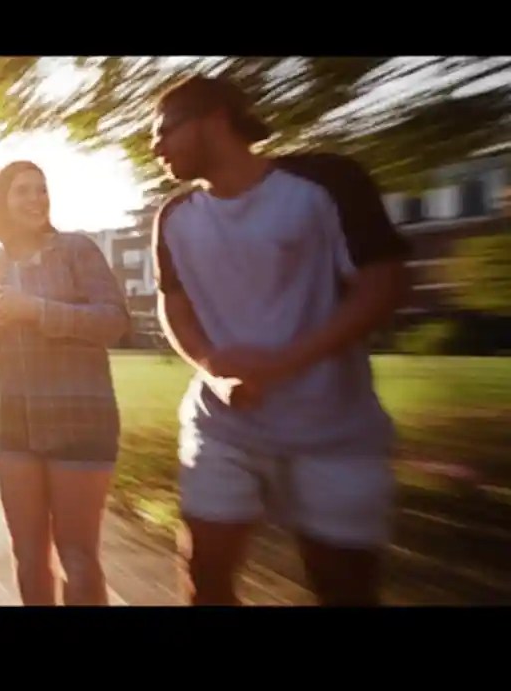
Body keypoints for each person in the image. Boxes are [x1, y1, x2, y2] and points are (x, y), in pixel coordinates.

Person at [149, 74, 409, 606]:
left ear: (216, 119)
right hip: (222, 426)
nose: (155, 146)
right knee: (206, 575)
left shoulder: (328, 184)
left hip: (333, 429)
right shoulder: (174, 218)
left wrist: (283, 362)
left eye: (165, 130)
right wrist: (212, 368)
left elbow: (384, 284)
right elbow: (173, 305)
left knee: (343, 588)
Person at [0, 160, 130, 606]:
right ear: (1, 203)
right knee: (28, 555)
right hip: (12, 425)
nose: (36, 199)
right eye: (23, 191)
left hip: (79, 420)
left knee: (77, 555)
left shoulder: (77, 251)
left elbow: (113, 322)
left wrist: (34, 309)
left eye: (41, 190)